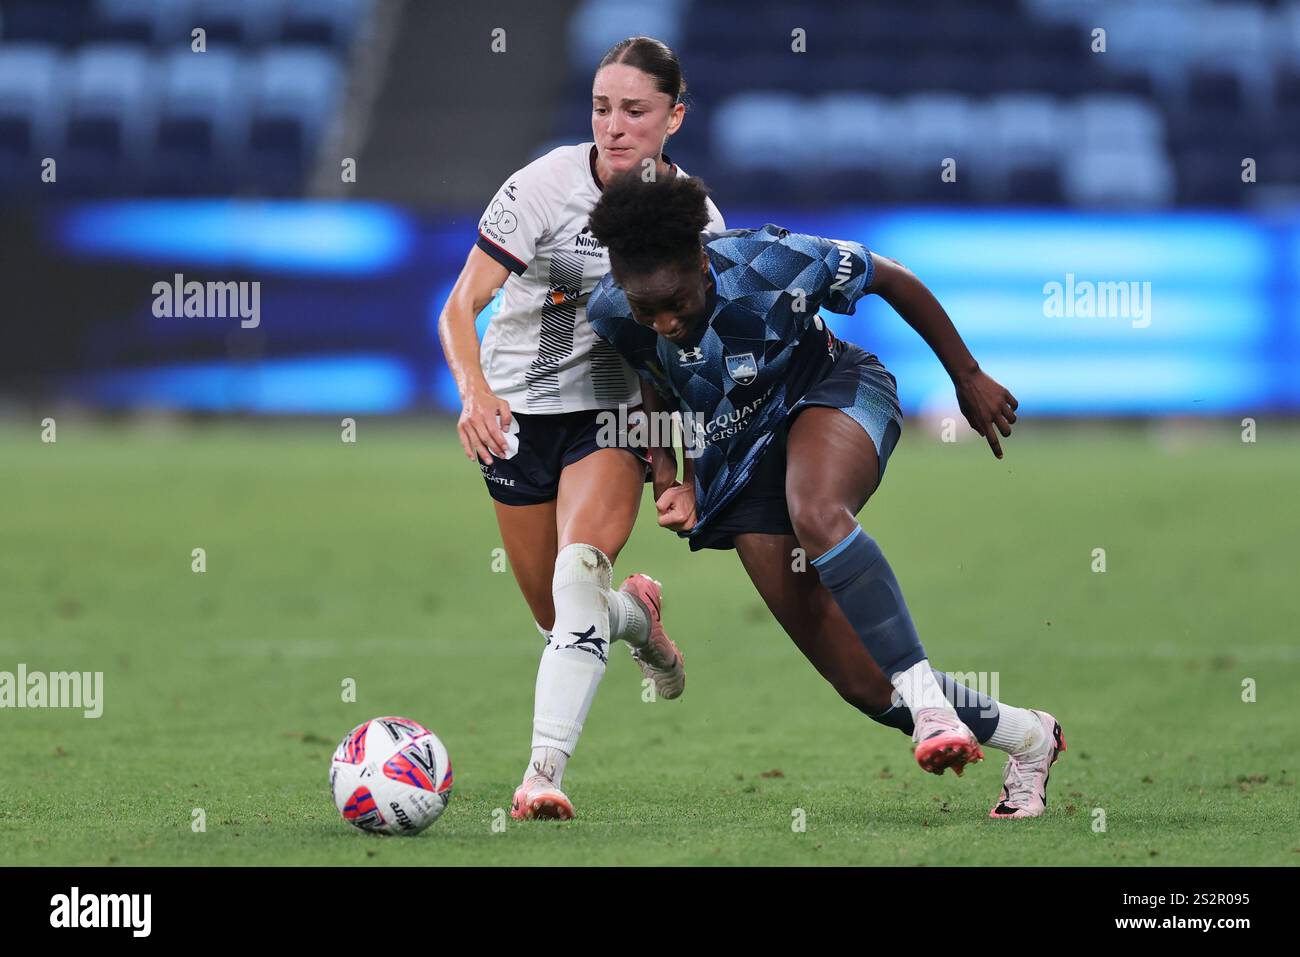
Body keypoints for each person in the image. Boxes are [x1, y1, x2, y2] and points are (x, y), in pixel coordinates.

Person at [585, 172, 1065, 818]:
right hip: (740, 463)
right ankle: (1029, 737)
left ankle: (928, 701)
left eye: (677, 301)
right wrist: (672, 477)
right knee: (863, 680)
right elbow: (656, 380)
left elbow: (891, 276)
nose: (665, 321)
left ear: (701, 261)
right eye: (649, 309)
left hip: (833, 392)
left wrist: (967, 375)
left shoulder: (768, 262)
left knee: (816, 512)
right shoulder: (613, 311)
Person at [437, 38, 725, 821]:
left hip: (611, 414)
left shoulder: (692, 217)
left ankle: (541, 774)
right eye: (603, 108)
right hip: (518, 417)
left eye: (636, 110)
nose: (615, 126)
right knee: (562, 617)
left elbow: (688, 356)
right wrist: (475, 392)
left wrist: (679, 469)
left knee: (575, 582)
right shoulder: (541, 187)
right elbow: (459, 306)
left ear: (674, 115)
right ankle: (642, 624)